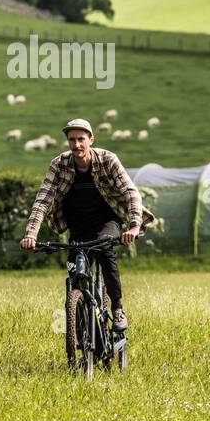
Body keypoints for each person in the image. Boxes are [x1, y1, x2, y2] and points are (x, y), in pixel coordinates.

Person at [20, 118, 155, 330]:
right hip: (77, 222)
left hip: (106, 218)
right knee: (75, 269)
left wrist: (134, 226)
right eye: (72, 140)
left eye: (81, 139)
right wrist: (31, 235)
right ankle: (79, 321)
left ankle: (117, 308)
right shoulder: (59, 165)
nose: (76, 145)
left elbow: (130, 193)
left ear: (91, 139)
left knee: (104, 248)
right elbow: (43, 200)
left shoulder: (108, 160)